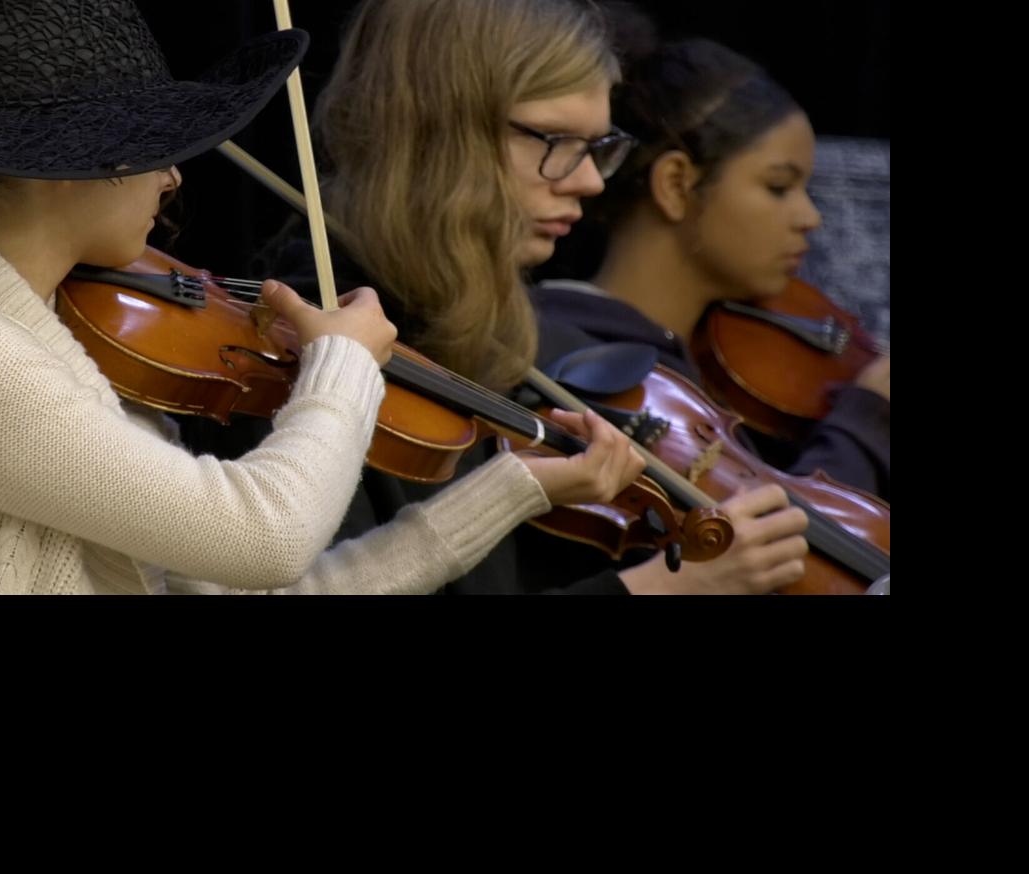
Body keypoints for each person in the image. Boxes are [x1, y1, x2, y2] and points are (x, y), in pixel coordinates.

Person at [0, 0, 641, 594]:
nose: (174, 176)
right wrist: (341, 364)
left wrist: (513, 487)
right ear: (73, 168)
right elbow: (263, 539)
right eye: (154, 147)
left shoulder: (24, 335)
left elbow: (277, 584)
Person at [187, 0, 810, 595]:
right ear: (443, 133)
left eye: (599, 145)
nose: (591, 180)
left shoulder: (505, 333)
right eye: (557, 141)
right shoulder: (295, 346)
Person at [531, 33, 891, 501]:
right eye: (778, 187)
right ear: (676, 185)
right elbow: (761, 552)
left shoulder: (710, 358)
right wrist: (868, 420)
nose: (810, 217)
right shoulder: (581, 363)